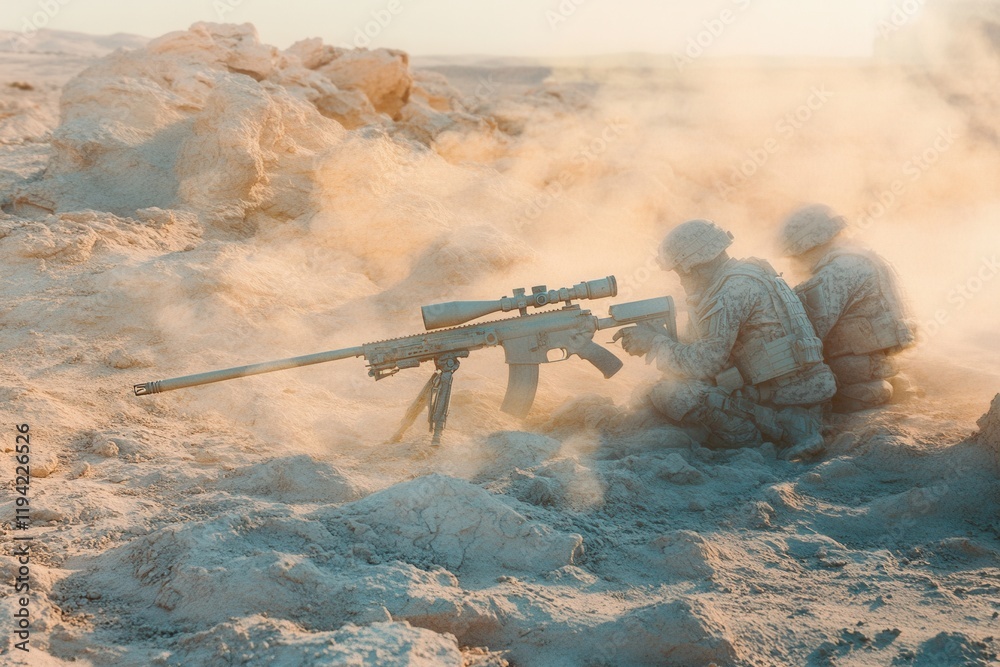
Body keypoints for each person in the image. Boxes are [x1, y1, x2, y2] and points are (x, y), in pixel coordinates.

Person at [619, 219, 837, 460]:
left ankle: (774, 429)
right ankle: (787, 422)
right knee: (657, 395)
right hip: (801, 389)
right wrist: (661, 336)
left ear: (693, 265)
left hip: (786, 396)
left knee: (672, 394)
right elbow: (707, 345)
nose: (680, 279)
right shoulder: (748, 273)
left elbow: (704, 364)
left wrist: (654, 343)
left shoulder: (730, 292)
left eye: (679, 271)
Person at [778, 204, 917, 412]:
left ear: (811, 244)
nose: (795, 262)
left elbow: (808, 331)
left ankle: (864, 391)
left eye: (796, 254)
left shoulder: (838, 271)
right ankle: (881, 383)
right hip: (874, 357)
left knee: (780, 393)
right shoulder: (860, 257)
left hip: (856, 364)